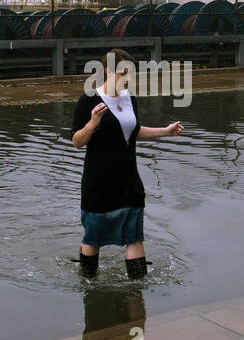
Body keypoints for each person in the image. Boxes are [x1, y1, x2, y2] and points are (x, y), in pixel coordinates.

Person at [70, 48, 183, 278]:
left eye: (131, 74)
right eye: (123, 73)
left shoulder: (130, 98)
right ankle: (89, 286)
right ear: (108, 71)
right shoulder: (89, 101)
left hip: (129, 181)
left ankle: (137, 292)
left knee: (134, 236)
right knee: (94, 238)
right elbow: (76, 142)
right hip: (99, 183)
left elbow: (133, 131)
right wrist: (91, 124)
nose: (128, 79)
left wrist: (166, 132)